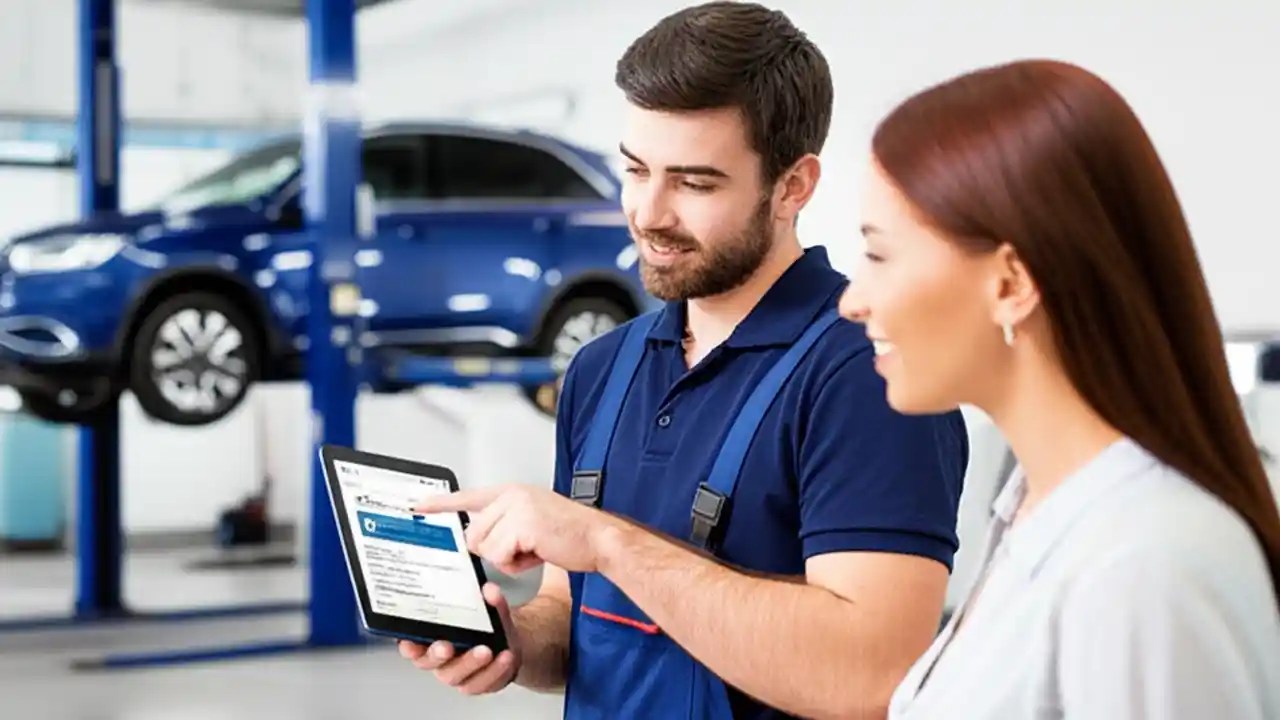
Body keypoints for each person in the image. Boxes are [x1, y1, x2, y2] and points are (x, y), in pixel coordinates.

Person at [400, 3, 969, 718]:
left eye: (695, 183)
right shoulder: (602, 369)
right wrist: (511, 641)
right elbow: (571, 614)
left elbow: (869, 675)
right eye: (637, 170)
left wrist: (607, 543)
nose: (649, 212)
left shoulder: (870, 371)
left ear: (793, 186)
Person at [836, 59, 1280, 718]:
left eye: (878, 255)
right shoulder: (1034, 511)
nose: (853, 301)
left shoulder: (1145, 564)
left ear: (1011, 285)